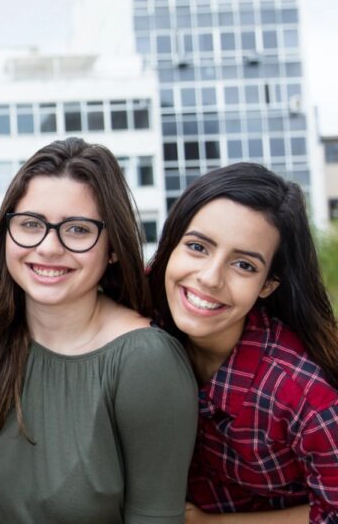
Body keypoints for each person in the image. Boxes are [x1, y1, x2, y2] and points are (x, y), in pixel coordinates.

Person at [0, 137, 198, 523]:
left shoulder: (145, 363)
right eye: (31, 224)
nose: (49, 248)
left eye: (78, 230)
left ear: (114, 247)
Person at [146, 162, 338, 523]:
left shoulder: (302, 394)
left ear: (268, 284)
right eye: (198, 247)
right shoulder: (141, 306)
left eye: (244, 265)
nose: (209, 278)